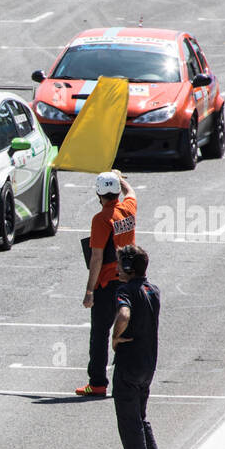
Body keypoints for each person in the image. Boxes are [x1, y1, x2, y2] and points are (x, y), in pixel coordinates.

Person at [109, 244, 165, 449]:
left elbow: (123, 315)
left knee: (128, 418)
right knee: (140, 416)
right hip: (148, 362)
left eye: (121, 263)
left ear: (130, 267)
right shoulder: (153, 290)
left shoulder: (126, 291)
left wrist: (114, 337)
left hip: (129, 362)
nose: (118, 267)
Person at [78, 169, 137, 397]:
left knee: (100, 333)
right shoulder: (128, 209)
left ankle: (98, 382)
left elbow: (97, 256)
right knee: (128, 330)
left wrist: (89, 290)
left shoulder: (102, 219)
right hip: (130, 281)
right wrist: (120, 177)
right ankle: (126, 378)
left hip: (107, 283)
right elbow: (130, 191)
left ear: (98, 194)